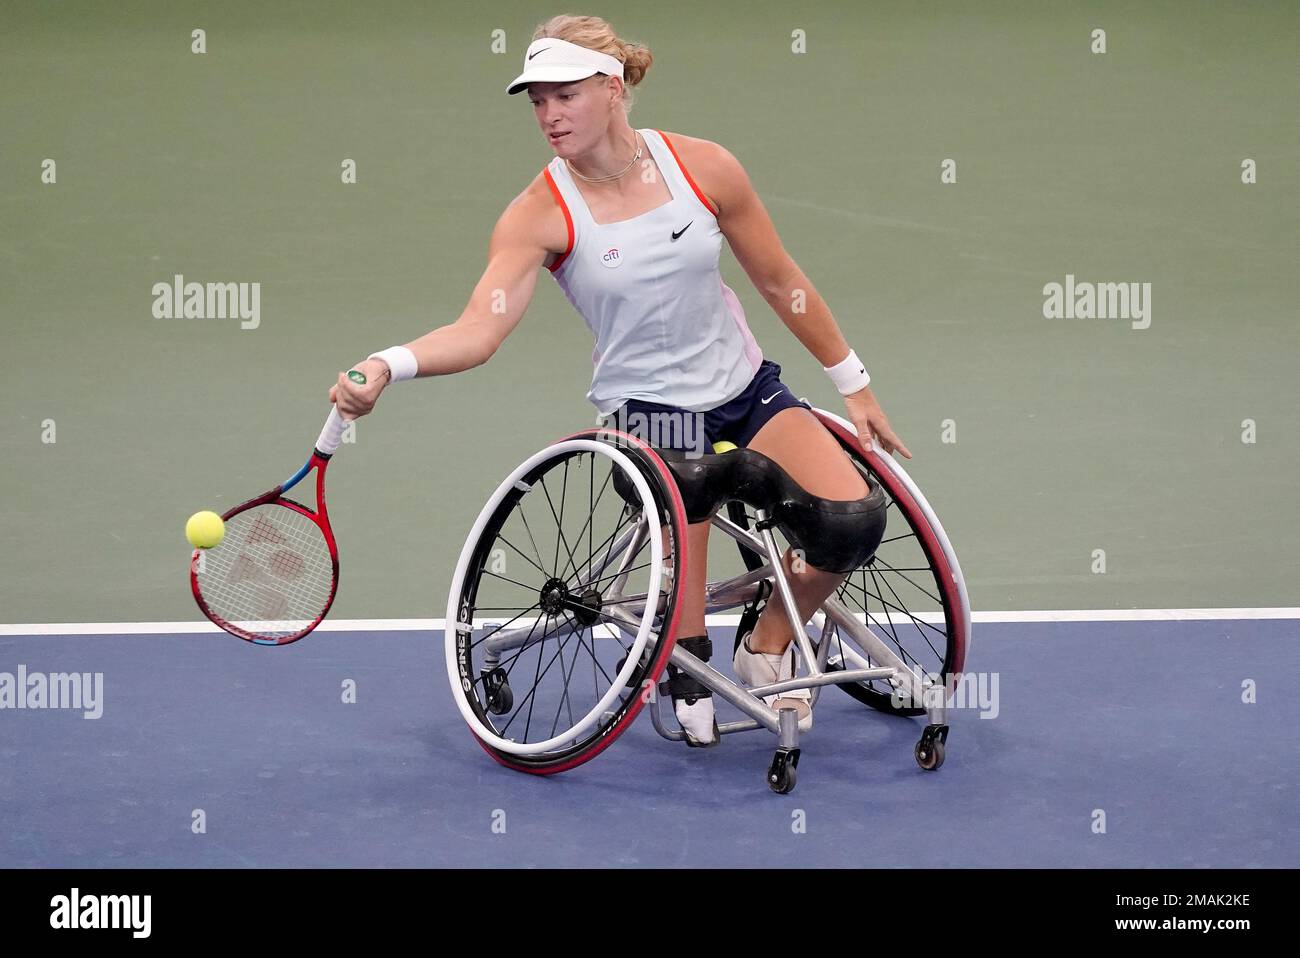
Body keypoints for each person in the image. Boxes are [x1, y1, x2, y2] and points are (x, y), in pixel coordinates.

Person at [331, 14, 911, 746]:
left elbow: (779, 281)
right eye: (536, 100)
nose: (547, 115)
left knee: (853, 521)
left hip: (744, 389)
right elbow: (480, 330)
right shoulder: (539, 214)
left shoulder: (704, 167)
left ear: (612, 88)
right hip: (649, 411)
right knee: (693, 478)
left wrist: (853, 382)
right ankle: (687, 655)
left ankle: (765, 641)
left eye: (563, 96)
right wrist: (389, 362)